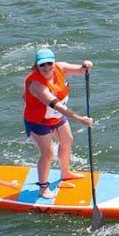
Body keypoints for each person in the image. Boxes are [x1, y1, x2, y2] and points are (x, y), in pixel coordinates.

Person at [22, 47, 94, 199]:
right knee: (48, 153)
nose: (47, 67)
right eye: (42, 65)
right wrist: (79, 119)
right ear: (36, 65)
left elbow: (81, 70)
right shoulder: (36, 84)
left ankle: (65, 172)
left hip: (55, 117)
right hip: (38, 121)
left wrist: (86, 65)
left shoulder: (59, 68)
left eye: (49, 63)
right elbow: (58, 106)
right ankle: (43, 188)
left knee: (67, 140)